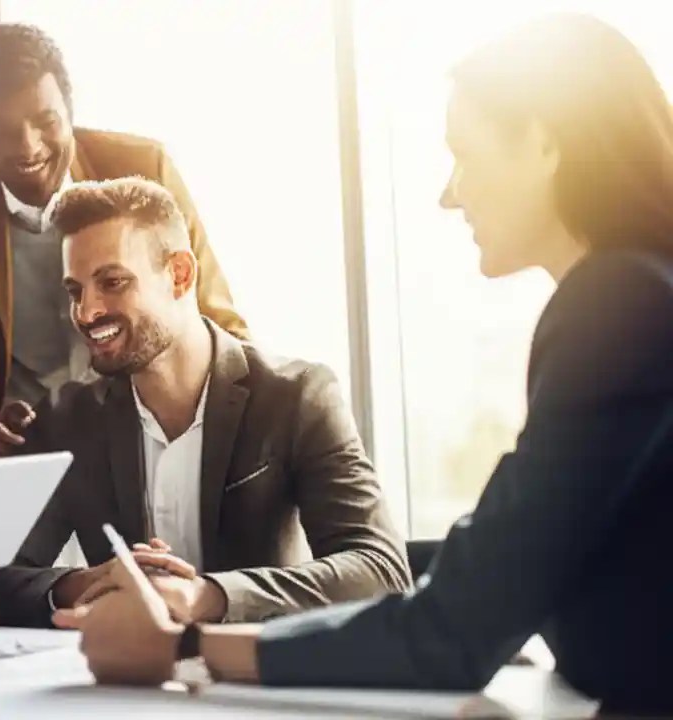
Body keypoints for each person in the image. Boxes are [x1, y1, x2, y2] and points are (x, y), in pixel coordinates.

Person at [68, 14, 673, 716]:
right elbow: (506, 558)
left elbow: (455, 634)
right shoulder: (640, 293)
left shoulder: (618, 304)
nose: (451, 192)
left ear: (543, 143)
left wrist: (183, 647)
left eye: (465, 154)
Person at [0, 177, 409, 627]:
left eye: (112, 282)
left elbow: (381, 569)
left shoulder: (298, 397)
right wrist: (95, 582)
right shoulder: (68, 418)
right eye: (76, 291)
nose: (87, 313)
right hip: (122, 682)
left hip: (257, 679)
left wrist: (208, 597)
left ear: (180, 275)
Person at [0, 22, 248, 461]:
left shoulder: (145, 168)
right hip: (23, 456)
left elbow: (217, 319)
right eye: (4, 130)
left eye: (46, 122)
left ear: (70, 109)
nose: (29, 146)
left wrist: (253, 429)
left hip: (155, 437)